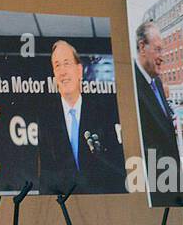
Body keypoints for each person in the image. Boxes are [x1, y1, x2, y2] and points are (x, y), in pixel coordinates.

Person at [35, 39, 126, 195]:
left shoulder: (102, 112)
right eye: (57, 66)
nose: (62, 71)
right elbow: (46, 175)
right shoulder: (46, 120)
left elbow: (115, 166)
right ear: (54, 75)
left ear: (79, 70)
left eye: (66, 63)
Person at [132, 20, 183, 205]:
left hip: (173, 182)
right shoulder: (131, 86)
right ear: (142, 47)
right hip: (157, 191)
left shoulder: (158, 82)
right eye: (158, 49)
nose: (163, 57)